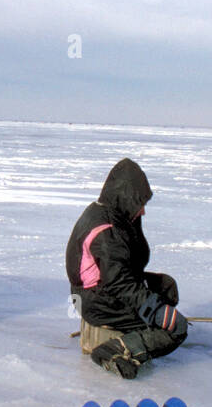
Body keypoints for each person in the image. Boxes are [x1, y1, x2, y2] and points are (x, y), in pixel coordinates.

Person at [65, 158, 187, 378]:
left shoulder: (110, 213)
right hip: (97, 301)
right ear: (126, 198)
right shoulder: (107, 230)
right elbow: (119, 283)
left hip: (100, 292)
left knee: (167, 288)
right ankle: (115, 350)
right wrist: (156, 311)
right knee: (176, 327)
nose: (142, 212)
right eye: (139, 204)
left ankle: (136, 331)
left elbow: (122, 269)